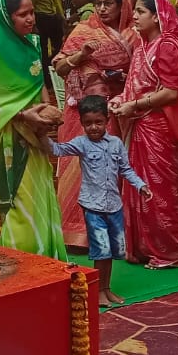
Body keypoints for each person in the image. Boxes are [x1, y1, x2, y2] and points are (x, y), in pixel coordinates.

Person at [0, 0, 68, 260]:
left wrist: (47, 113)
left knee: (41, 196)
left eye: (32, 12)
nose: (31, 19)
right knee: (21, 203)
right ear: (5, 17)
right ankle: (25, 266)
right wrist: (23, 115)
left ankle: (47, 262)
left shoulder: (33, 45)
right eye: (23, 14)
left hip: (35, 137)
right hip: (10, 140)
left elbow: (38, 86)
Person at [112, 0, 178, 269]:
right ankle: (145, 247)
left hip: (158, 127)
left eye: (141, 11)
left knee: (160, 190)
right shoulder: (143, 45)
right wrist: (122, 100)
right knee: (139, 186)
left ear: (157, 17)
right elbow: (135, 84)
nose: (134, 15)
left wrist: (134, 105)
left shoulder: (167, 46)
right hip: (139, 124)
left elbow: (170, 92)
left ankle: (173, 252)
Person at [54, 0, 133, 250]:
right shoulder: (84, 30)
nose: (101, 8)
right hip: (81, 112)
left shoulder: (133, 35)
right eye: (98, 3)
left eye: (108, 3)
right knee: (79, 166)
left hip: (114, 110)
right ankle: (75, 232)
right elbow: (60, 68)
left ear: (122, 6)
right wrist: (81, 55)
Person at [50, 95, 149, 307]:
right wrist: (40, 133)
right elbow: (57, 150)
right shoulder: (81, 144)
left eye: (98, 122)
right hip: (93, 207)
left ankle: (106, 288)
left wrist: (140, 185)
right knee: (100, 251)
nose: (93, 127)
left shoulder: (115, 143)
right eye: (88, 123)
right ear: (82, 123)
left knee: (112, 251)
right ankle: (97, 292)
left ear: (107, 120)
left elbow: (126, 169)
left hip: (114, 205)